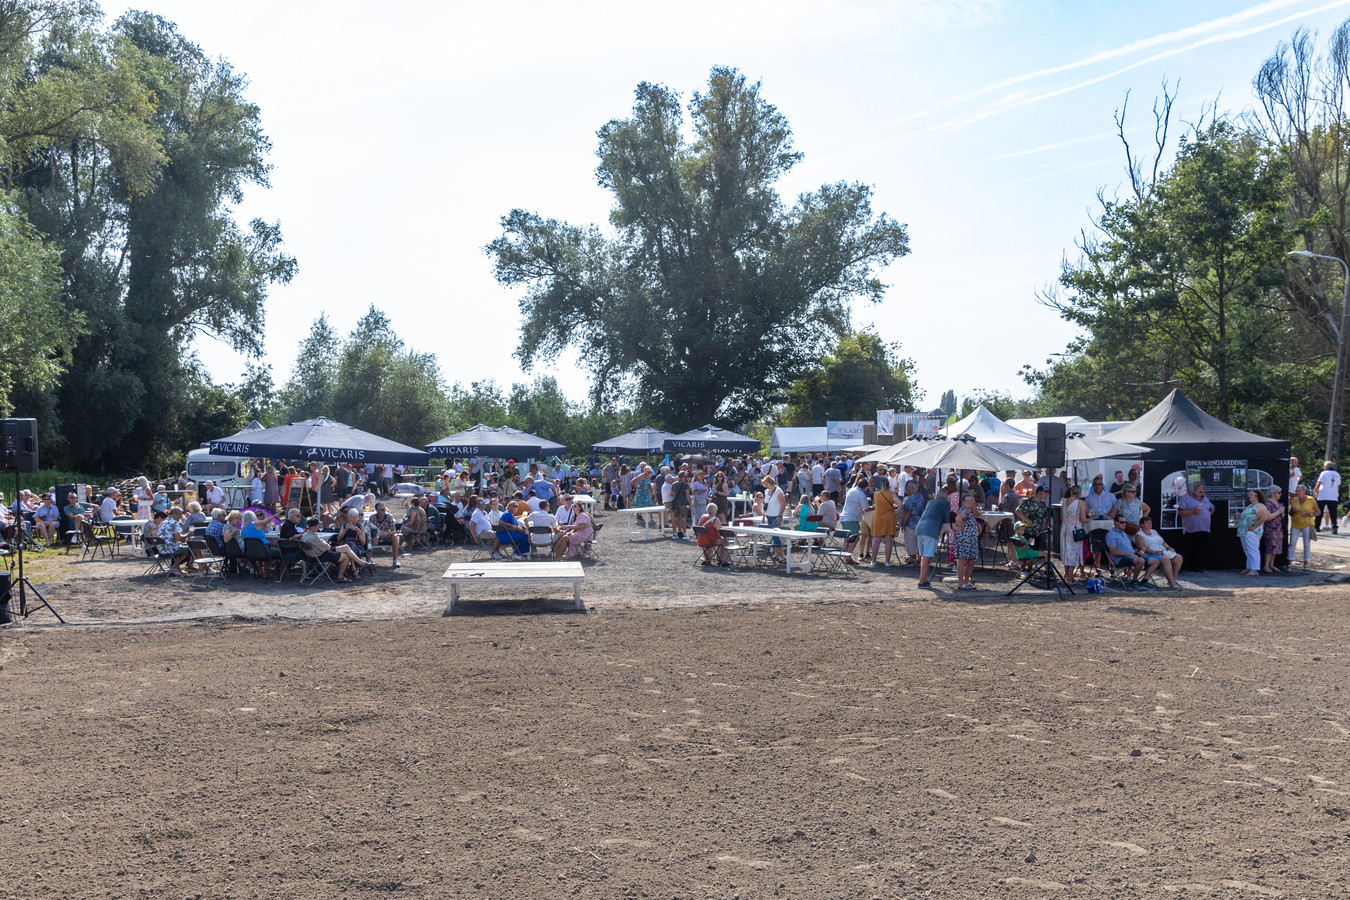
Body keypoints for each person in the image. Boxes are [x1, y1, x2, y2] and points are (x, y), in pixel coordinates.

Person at [298, 516, 359, 582]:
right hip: (320, 556)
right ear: (314, 527)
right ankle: (340, 576)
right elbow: (328, 547)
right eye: (318, 525)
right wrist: (325, 542)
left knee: (345, 548)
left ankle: (358, 564)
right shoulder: (314, 537)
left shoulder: (304, 536)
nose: (319, 527)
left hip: (311, 557)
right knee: (345, 556)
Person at [1174, 481, 1214, 573]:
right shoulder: (1186, 498)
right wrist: (1193, 511)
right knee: (1188, 549)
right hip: (1191, 529)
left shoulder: (1205, 499)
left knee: (1200, 549)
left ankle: (1196, 566)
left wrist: (1207, 515)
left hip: (1204, 529)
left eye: (1203, 489)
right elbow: (1180, 512)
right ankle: (1185, 567)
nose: (1202, 491)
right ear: (1193, 489)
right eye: (1199, 488)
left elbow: (1213, 508)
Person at [1134, 515, 1183, 588]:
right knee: (1165, 559)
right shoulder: (1139, 535)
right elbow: (1142, 548)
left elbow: (1163, 542)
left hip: (1162, 551)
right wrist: (1154, 552)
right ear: (1142, 524)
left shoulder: (1154, 531)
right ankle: (1172, 583)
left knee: (1178, 557)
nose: (1150, 524)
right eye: (1147, 523)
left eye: (1151, 523)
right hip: (1150, 554)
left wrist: (1168, 547)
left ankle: (1173, 579)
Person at [915, 488, 950, 588]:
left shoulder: (930, 502)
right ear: (946, 497)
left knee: (924, 556)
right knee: (927, 557)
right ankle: (921, 581)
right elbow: (947, 519)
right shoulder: (945, 503)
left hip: (920, 528)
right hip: (931, 530)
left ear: (937, 495)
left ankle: (924, 578)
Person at [1236, 489, 1273, 576]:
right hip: (1244, 531)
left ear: (1256, 496)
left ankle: (1254, 569)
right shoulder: (1250, 506)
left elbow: (1262, 518)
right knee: (1247, 550)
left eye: (1251, 495)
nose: (1250, 496)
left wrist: (1254, 526)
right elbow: (1249, 516)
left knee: (1253, 550)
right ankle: (1249, 567)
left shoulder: (1260, 507)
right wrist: (1240, 516)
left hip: (1252, 532)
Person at [952, 493, 982, 589]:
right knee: (963, 560)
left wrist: (976, 524)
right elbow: (958, 518)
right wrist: (961, 527)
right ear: (963, 502)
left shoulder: (969, 510)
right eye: (968, 501)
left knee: (972, 561)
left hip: (971, 538)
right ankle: (961, 583)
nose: (970, 502)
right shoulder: (964, 510)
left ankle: (966, 581)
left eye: (971, 500)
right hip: (965, 538)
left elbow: (975, 514)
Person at [1060, 484, 1089, 580]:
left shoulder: (1064, 501)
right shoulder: (1080, 502)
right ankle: (1070, 577)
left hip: (1064, 528)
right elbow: (1083, 519)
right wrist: (1090, 519)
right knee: (1073, 552)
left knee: (1065, 552)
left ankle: (1066, 574)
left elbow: (1062, 517)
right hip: (1075, 529)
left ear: (1071, 491)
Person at [1105, 515, 1144, 585]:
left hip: (1132, 556)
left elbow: (1129, 548)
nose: (1124, 524)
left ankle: (1145, 581)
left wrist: (1137, 552)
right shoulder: (1111, 534)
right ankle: (1134, 582)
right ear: (1115, 522)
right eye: (1122, 522)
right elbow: (1114, 552)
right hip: (1119, 559)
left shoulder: (1124, 533)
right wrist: (1130, 554)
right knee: (1141, 561)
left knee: (1155, 560)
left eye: (1125, 522)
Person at [154, 508, 195, 574]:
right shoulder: (174, 523)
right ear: (176, 515)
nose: (181, 517)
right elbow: (178, 538)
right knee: (192, 548)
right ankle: (175, 567)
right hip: (170, 550)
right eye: (181, 515)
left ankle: (176, 567)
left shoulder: (163, 522)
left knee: (183, 547)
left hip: (161, 550)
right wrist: (188, 534)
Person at [240, 510, 281, 575]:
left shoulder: (242, 529)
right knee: (278, 550)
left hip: (250, 552)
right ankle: (278, 572)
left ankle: (260, 571)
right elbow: (266, 521)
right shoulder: (255, 524)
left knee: (264, 548)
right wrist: (273, 516)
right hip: (263, 549)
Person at [868, 476, 897, 568]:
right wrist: (896, 512)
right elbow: (900, 503)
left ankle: (873, 561)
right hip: (888, 518)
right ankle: (887, 562)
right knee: (888, 541)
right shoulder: (891, 494)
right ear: (888, 486)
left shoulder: (876, 493)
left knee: (876, 541)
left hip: (878, 517)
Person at [1288, 484, 1319, 568]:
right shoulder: (1294, 500)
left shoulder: (1311, 499)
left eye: (1298, 491)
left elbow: (1318, 512)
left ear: (1304, 491)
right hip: (1295, 524)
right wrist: (1293, 511)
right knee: (1292, 543)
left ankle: (1306, 562)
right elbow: (1291, 514)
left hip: (1307, 524)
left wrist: (1309, 514)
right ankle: (1289, 561)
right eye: (1296, 491)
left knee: (1306, 544)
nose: (1296, 492)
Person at [693, 502, 730, 567]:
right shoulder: (715, 519)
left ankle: (706, 559)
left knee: (717, 540)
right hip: (711, 540)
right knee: (725, 541)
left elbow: (699, 526)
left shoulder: (702, 517)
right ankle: (722, 560)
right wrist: (725, 537)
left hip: (701, 540)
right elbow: (720, 531)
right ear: (715, 510)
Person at [370, 502, 403, 567]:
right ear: (377, 510)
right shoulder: (372, 518)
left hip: (386, 536)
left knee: (395, 537)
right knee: (367, 538)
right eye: (382, 510)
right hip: (375, 537)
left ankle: (395, 560)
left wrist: (387, 533)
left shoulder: (388, 517)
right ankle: (368, 560)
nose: (384, 511)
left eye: (384, 509)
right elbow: (370, 530)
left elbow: (394, 531)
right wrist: (376, 536)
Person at [1261, 485, 1286, 574]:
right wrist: (1278, 512)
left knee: (1276, 547)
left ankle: (1271, 564)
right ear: (1273, 494)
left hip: (1279, 529)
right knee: (1270, 546)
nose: (1280, 494)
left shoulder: (1278, 504)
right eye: (1279, 492)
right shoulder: (1268, 504)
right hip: (1271, 528)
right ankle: (1266, 566)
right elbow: (1267, 517)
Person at [899, 481, 924, 565]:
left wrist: (903, 523)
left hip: (910, 522)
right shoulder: (921, 496)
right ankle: (919, 557)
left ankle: (911, 558)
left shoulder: (910, 498)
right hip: (920, 521)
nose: (907, 489)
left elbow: (907, 512)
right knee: (918, 541)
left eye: (908, 487)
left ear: (912, 488)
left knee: (910, 540)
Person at [1315, 461, 1341, 533]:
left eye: (1324, 466)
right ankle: (1334, 527)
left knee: (1319, 511)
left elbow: (1319, 483)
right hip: (1333, 496)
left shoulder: (1324, 473)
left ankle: (1317, 526)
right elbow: (1338, 486)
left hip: (1323, 495)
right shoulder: (1337, 474)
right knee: (1333, 513)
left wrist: (1315, 491)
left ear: (1326, 467)